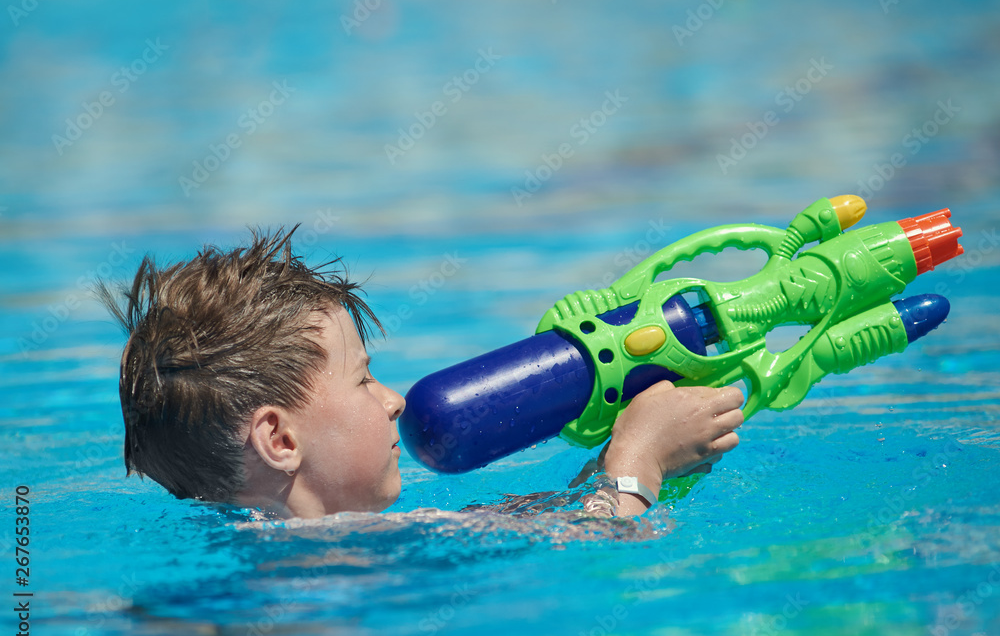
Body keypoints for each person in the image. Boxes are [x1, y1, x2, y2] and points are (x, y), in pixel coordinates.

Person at [100, 227, 743, 520]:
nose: (394, 400)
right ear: (280, 439)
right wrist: (639, 462)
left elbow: (542, 527)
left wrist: (606, 468)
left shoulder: (269, 554)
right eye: (363, 380)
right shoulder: (329, 565)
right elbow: (598, 544)